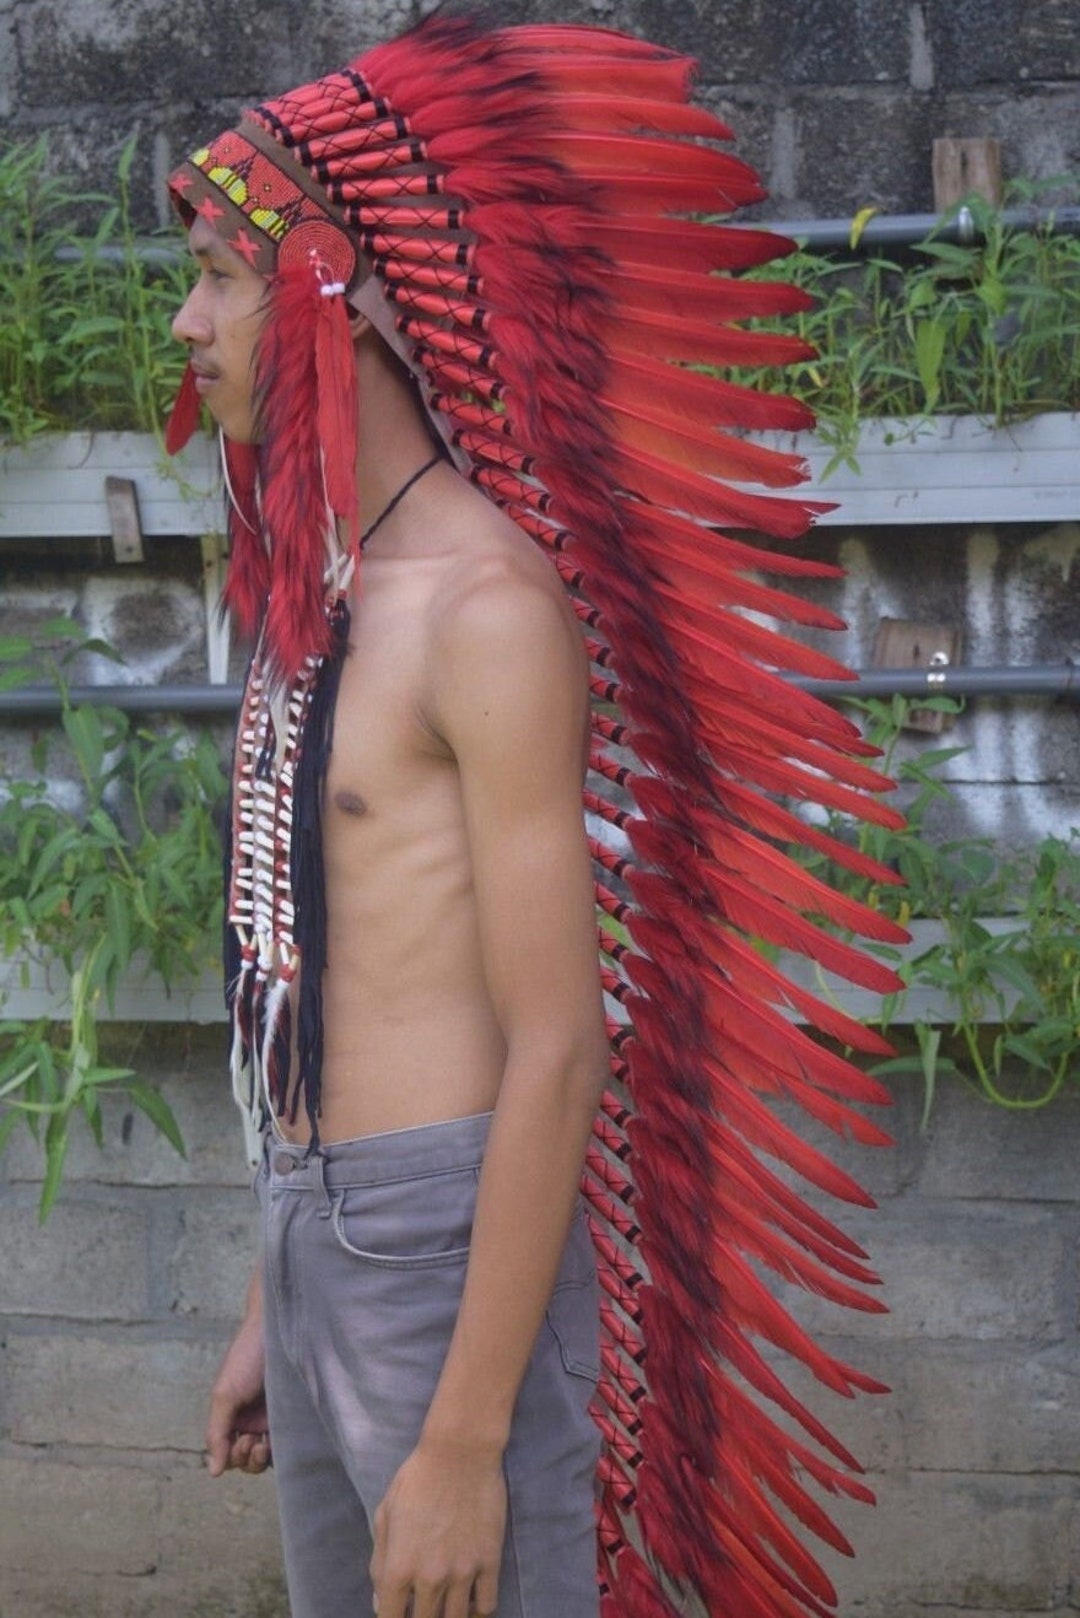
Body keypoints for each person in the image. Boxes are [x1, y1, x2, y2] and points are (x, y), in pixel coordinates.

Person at [165, 12, 900, 1618]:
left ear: (332, 296)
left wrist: (462, 1441)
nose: (186, 319)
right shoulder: (316, 587)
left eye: (219, 274)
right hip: (320, 1233)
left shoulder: (484, 609)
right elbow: (314, 963)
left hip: (447, 1256)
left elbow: (557, 1042)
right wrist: (268, 1291)